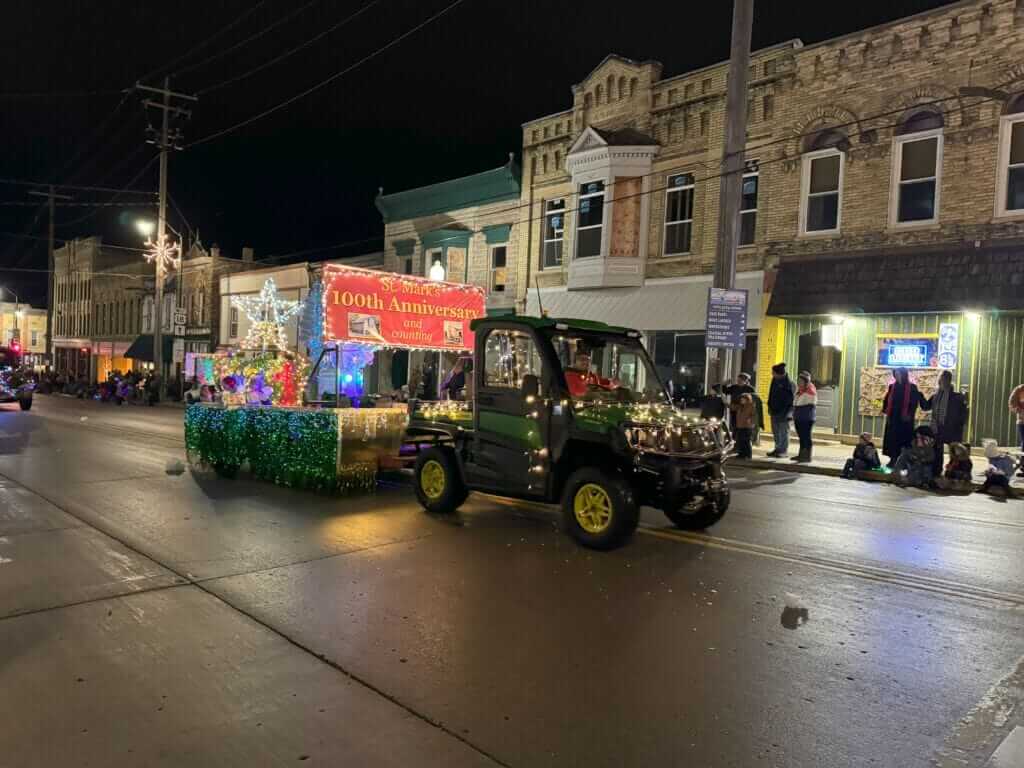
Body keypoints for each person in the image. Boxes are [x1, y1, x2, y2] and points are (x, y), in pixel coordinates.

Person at [922, 370, 968, 478]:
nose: (942, 381)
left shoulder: (957, 397)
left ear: (949, 380)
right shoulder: (935, 396)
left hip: (951, 428)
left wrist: (960, 424)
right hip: (937, 427)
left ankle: (953, 472)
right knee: (937, 450)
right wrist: (919, 396)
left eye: (944, 379)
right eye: (941, 379)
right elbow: (926, 406)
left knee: (954, 452)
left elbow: (963, 413)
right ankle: (936, 471)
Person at [882, 367, 926, 467]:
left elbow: (914, 403)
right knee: (892, 439)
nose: (897, 376)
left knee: (904, 440)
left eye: (899, 374)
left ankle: (904, 460)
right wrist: (885, 410)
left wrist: (909, 414)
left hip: (905, 419)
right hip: (893, 418)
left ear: (904, 375)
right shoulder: (892, 387)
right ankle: (893, 459)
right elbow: (887, 399)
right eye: (895, 374)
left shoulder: (912, 387)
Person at [767, 363, 795, 458]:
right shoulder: (775, 380)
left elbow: (791, 400)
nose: (772, 374)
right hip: (774, 411)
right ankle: (777, 448)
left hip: (784, 412)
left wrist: (788, 413)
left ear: (779, 373)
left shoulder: (789, 383)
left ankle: (783, 451)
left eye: (773, 372)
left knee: (783, 432)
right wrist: (769, 406)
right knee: (776, 432)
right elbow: (771, 394)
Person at [792, 371, 818, 463]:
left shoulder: (810, 391)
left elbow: (801, 403)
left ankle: (807, 456)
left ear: (806, 381)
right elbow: (795, 403)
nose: (799, 382)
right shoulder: (800, 390)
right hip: (799, 417)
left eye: (801, 381)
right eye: (798, 380)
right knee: (801, 437)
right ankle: (801, 454)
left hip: (806, 418)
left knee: (806, 437)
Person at [730, 391, 756, 459]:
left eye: (743, 399)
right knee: (740, 441)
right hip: (740, 426)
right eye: (741, 399)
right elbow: (732, 407)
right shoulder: (740, 406)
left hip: (747, 427)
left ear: (747, 400)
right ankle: (741, 454)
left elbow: (754, 415)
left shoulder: (751, 406)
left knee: (746, 441)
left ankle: (748, 455)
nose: (741, 400)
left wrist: (751, 420)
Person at [1009, 383, 1024, 471]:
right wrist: (1019, 410)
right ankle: (1023, 465)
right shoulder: (1019, 390)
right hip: (1022, 421)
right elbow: (1012, 403)